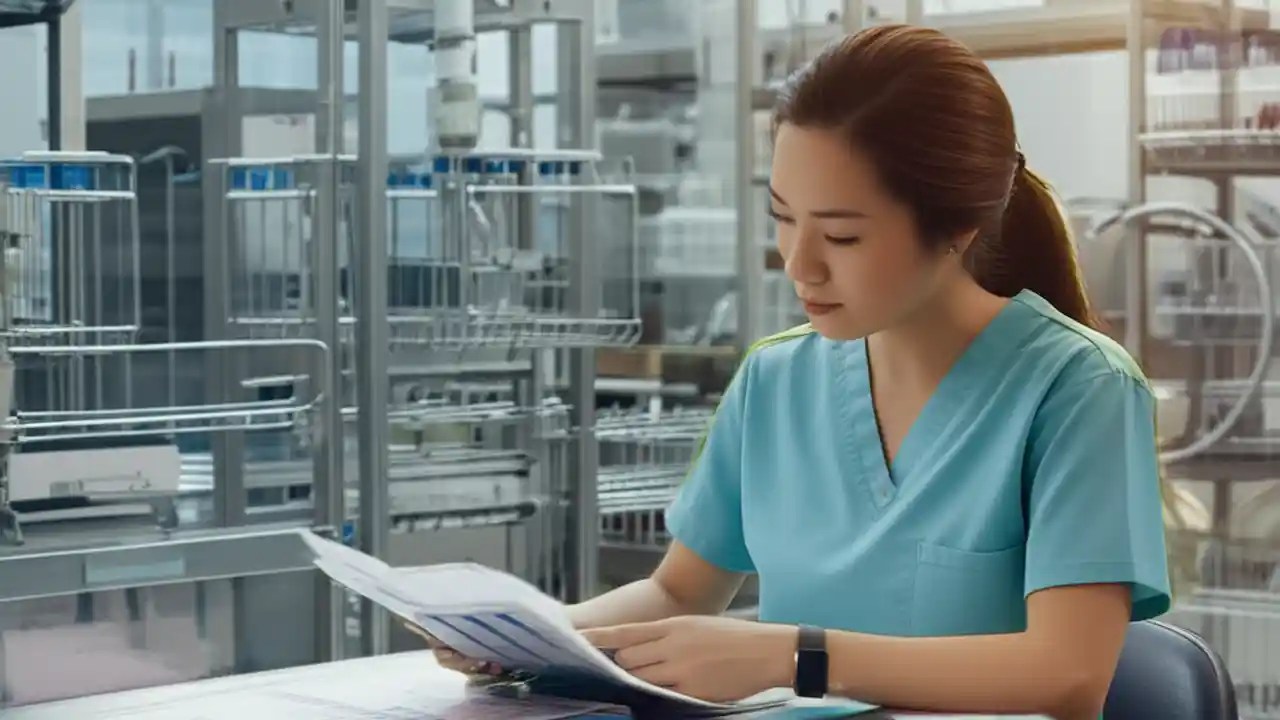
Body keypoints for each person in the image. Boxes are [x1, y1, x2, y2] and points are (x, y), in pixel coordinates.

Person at [428, 24, 1171, 720]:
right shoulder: (775, 380)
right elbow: (677, 589)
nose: (799, 263)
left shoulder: (1078, 389)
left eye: (841, 234)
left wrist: (796, 657)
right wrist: (528, 636)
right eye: (783, 217)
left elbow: (1069, 673)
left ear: (956, 229)